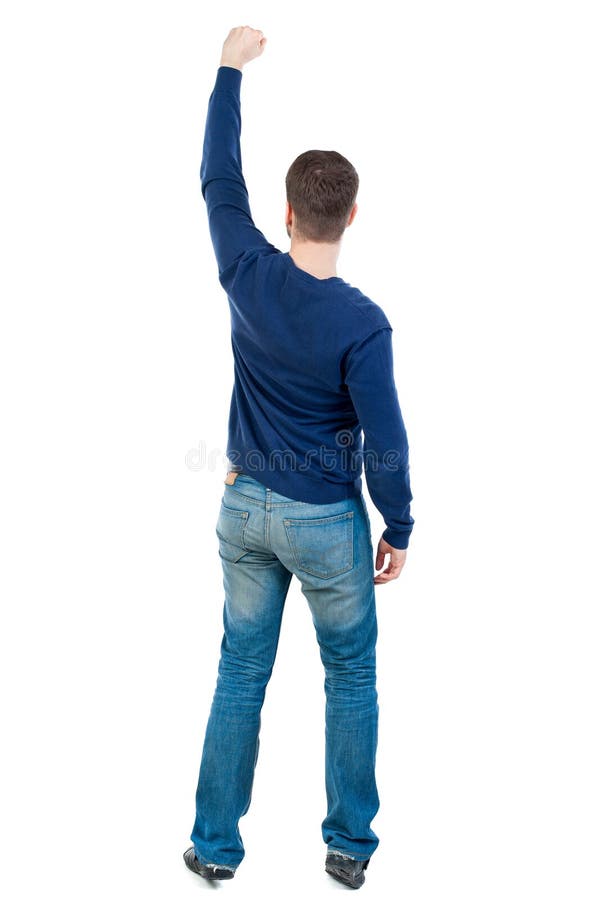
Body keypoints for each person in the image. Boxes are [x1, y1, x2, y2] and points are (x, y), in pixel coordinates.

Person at [183, 25, 414, 891]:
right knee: (350, 676)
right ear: (350, 216)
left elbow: (218, 178)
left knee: (240, 671)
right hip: (324, 523)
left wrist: (229, 70)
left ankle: (213, 847)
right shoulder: (362, 323)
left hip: (244, 508)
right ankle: (348, 848)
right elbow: (385, 443)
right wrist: (399, 524)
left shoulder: (246, 268)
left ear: (286, 215)